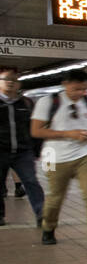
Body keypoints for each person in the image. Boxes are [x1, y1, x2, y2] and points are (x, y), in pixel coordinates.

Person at [30, 73, 87, 249]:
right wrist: (69, 134)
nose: (81, 93)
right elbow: (36, 131)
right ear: (65, 84)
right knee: (55, 197)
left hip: (85, 154)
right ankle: (48, 227)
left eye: (84, 89)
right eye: (76, 89)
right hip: (53, 155)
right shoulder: (47, 102)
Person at [0, 67, 45, 228]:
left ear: (19, 84)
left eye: (14, 80)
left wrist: (36, 150)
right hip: (1, 151)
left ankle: (42, 214)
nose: (10, 83)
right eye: (6, 80)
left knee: (31, 181)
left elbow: (34, 127)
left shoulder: (26, 103)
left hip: (22, 152)